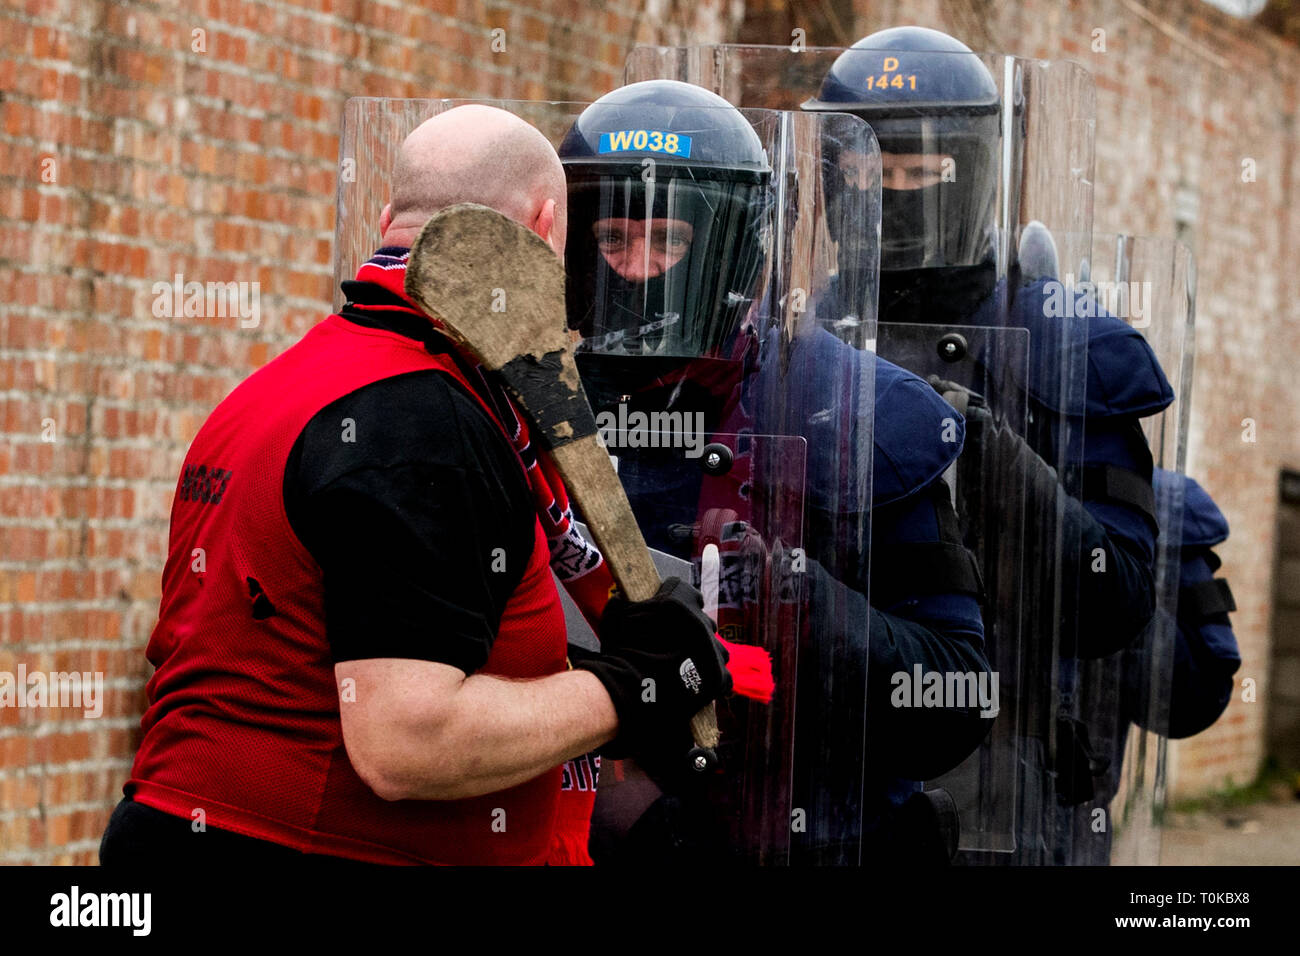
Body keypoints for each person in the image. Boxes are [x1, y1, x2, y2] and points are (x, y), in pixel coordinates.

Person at [98, 105, 731, 867]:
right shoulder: (422, 420)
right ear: (545, 226)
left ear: (388, 217)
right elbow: (405, 743)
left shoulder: (283, 385)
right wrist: (631, 693)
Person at [559, 80, 991, 865]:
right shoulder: (537, 405)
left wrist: (800, 598)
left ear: (733, 245)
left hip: (809, 835)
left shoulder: (854, 410)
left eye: (669, 242)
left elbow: (954, 696)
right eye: (613, 240)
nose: (637, 271)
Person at [802, 26, 1174, 862]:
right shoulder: (799, 340)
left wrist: (998, 458)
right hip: (817, 773)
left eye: (923, 173)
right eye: (870, 173)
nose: (895, 196)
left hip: (1003, 786)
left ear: (973, 170)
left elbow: (1119, 599)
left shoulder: (1061, 344)